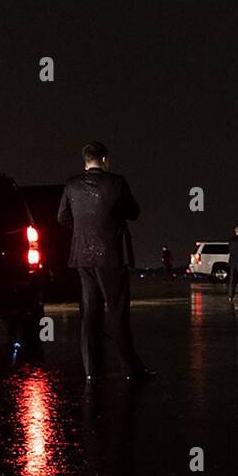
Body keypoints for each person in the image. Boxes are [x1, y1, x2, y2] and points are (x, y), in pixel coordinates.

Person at [57, 140, 156, 380]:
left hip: (82, 255)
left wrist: (83, 229)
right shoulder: (116, 183)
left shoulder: (71, 185)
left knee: (90, 312)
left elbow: (62, 217)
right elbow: (134, 212)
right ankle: (131, 367)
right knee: (117, 311)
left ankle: (91, 369)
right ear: (105, 159)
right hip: (111, 254)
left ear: (85, 161)